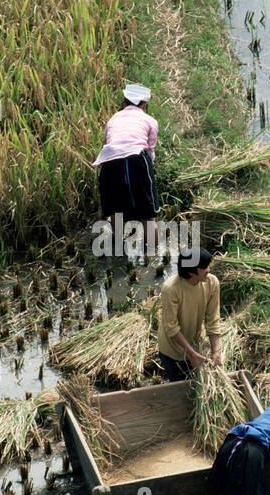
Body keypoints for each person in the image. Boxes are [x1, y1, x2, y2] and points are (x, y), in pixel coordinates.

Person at [92, 83, 159, 247]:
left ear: (124, 104)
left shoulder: (113, 119)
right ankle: (153, 253)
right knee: (148, 213)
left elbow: (106, 142)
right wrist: (147, 174)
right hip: (137, 157)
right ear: (144, 105)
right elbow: (150, 151)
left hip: (110, 160)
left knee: (115, 209)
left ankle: (119, 247)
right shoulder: (149, 120)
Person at [156, 247, 221, 381]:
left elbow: (213, 319)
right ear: (192, 272)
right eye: (205, 268)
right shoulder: (171, 289)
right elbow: (171, 327)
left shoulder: (212, 282)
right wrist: (192, 354)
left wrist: (216, 351)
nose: (209, 270)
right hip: (172, 352)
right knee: (180, 387)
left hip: (195, 344)